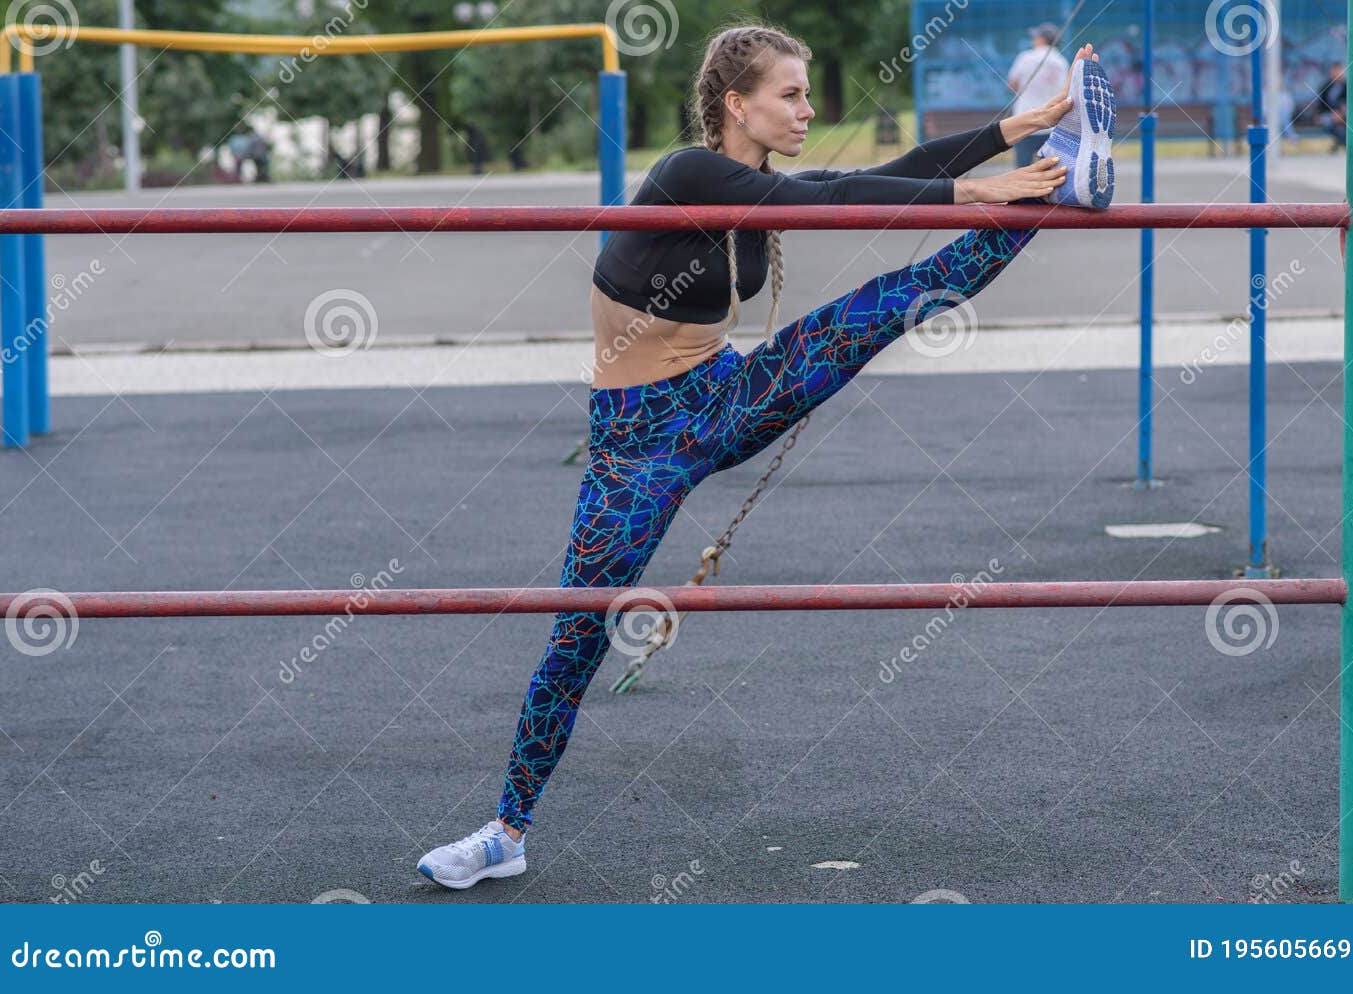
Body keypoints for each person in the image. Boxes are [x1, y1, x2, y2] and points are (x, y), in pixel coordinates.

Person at [415, 24, 1114, 890]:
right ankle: (505, 832)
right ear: (735, 103)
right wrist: (977, 187)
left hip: (726, 397)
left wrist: (1022, 130)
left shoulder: (760, 190)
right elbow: (840, 194)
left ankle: (1062, 178)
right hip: (636, 446)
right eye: (791, 94)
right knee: (576, 632)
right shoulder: (686, 173)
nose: (808, 109)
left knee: (888, 305)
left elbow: (874, 174)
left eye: (807, 93)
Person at [1007, 22, 1070, 167]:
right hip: (1051, 125)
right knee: (1048, 171)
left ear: (1042, 39)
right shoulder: (1061, 62)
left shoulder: (1025, 57)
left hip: (1025, 122)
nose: (1033, 39)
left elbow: (1012, 85)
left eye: (1036, 37)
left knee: (1022, 169)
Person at [1317, 62, 1347, 152]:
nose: (1337, 73)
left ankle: (1339, 143)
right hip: (1329, 115)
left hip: (1344, 115)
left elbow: (1347, 104)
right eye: (1335, 71)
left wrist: (1341, 114)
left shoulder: (1347, 86)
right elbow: (1321, 105)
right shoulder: (1325, 86)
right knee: (1327, 121)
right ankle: (1342, 142)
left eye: (1339, 71)